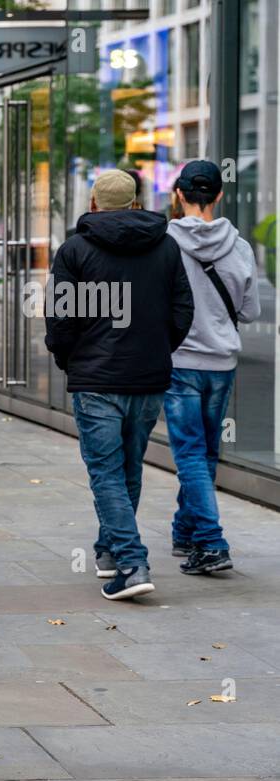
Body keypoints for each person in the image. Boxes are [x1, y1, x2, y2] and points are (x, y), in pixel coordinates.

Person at [45, 169, 194, 600]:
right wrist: (158, 349)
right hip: (148, 378)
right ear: (134, 203)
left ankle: (131, 563)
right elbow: (183, 310)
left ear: (93, 203)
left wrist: (69, 359)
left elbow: (60, 319)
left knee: (106, 472)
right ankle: (109, 551)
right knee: (128, 467)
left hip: (96, 379)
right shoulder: (165, 247)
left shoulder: (74, 250)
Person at [163, 160, 261, 575]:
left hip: (180, 361)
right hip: (222, 363)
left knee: (189, 452)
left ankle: (211, 541)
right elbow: (251, 311)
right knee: (205, 450)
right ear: (219, 195)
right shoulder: (239, 247)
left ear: (179, 195)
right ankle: (185, 532)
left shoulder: (163, 244)